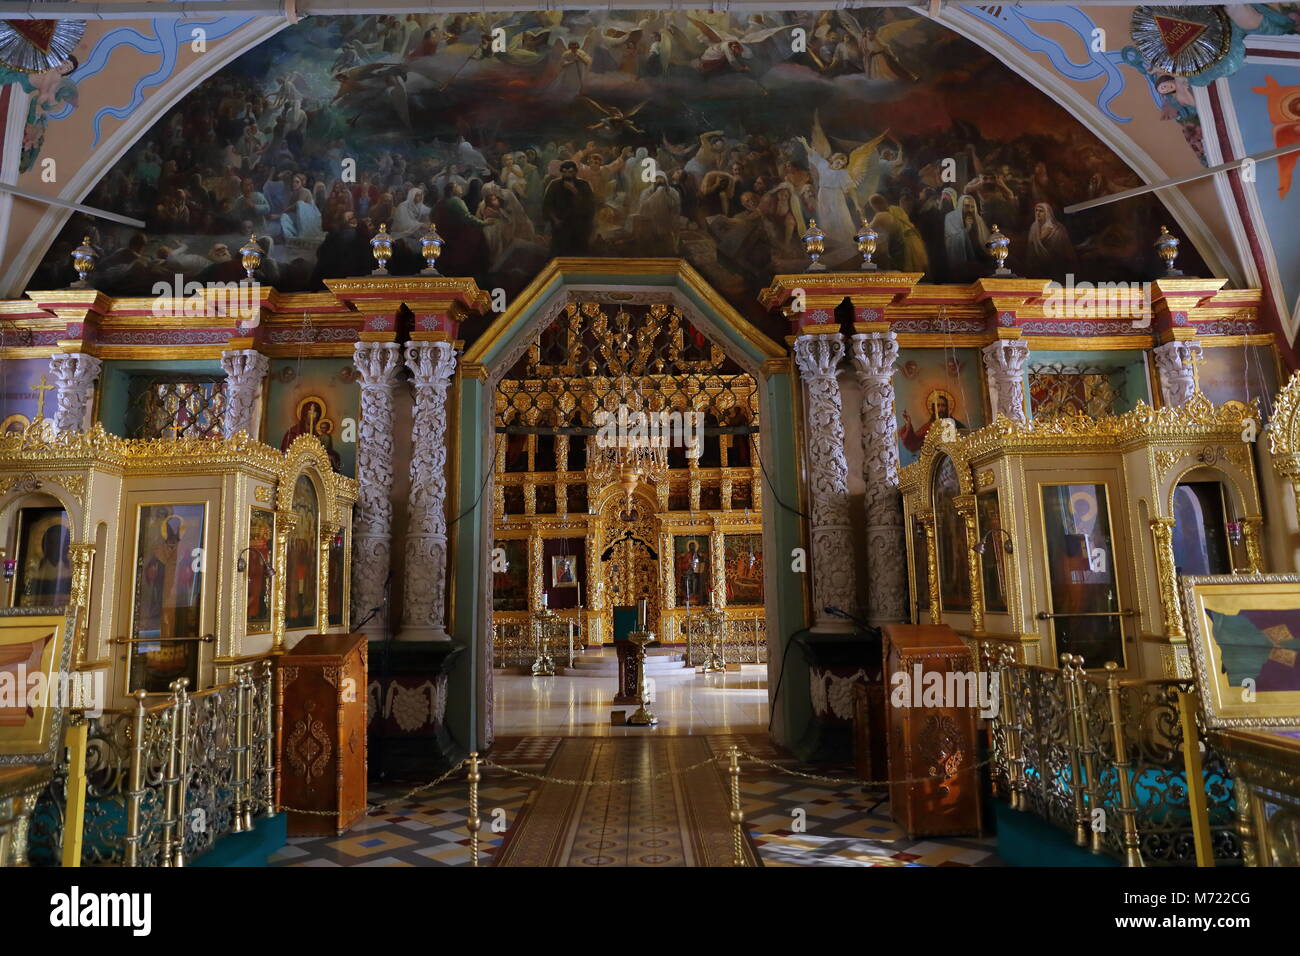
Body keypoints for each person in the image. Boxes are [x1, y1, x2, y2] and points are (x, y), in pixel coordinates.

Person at [542, 160, 596, 255]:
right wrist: (555, 220)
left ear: (575, 172)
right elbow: (547, 205)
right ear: (561, 172)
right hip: (560, 225)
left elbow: (589, 205)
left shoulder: (583, 184)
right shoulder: (554, 185)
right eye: (564, 172)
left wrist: (574, 191)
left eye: (570, 172)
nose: (567, 174)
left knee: (579, 252)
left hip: (579, 226)